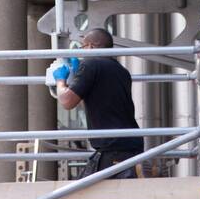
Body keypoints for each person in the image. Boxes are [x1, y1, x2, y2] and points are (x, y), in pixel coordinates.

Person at [52, 28, 143, 179]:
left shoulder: (91, 64)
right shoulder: (121, 70)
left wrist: (60, 81)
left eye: (82, 47)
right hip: (129, 144)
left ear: (91, 47)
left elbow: (67, 102)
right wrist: (77, 81)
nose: (81, 52)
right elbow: (90, 103)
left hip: (111, 147)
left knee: (86, 195)